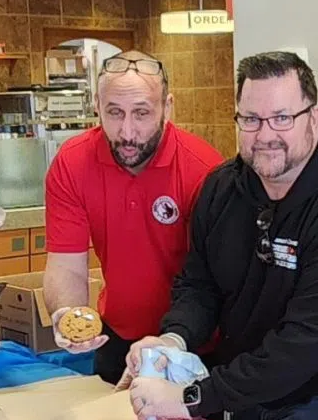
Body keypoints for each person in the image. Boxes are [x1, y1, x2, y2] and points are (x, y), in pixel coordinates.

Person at [126, 51, 318, 420]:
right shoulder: (221, 189)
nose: (265, 134)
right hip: (251, 374)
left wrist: (189, 398)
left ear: (314, 117)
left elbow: (302, 345)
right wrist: (174, 338)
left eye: (282, 118)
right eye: (251, 120)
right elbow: (199, 284)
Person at [43, 50, 222, 383]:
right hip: (117, 339)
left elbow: (215, 280)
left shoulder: (204, 169)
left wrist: (174, 340)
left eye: (141, 113)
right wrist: (66, 313)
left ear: (167, 107)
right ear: (97, 105)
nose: (127, 131)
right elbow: (66, 264)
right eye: (114, 113)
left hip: (191, 345)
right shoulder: (72, 163)